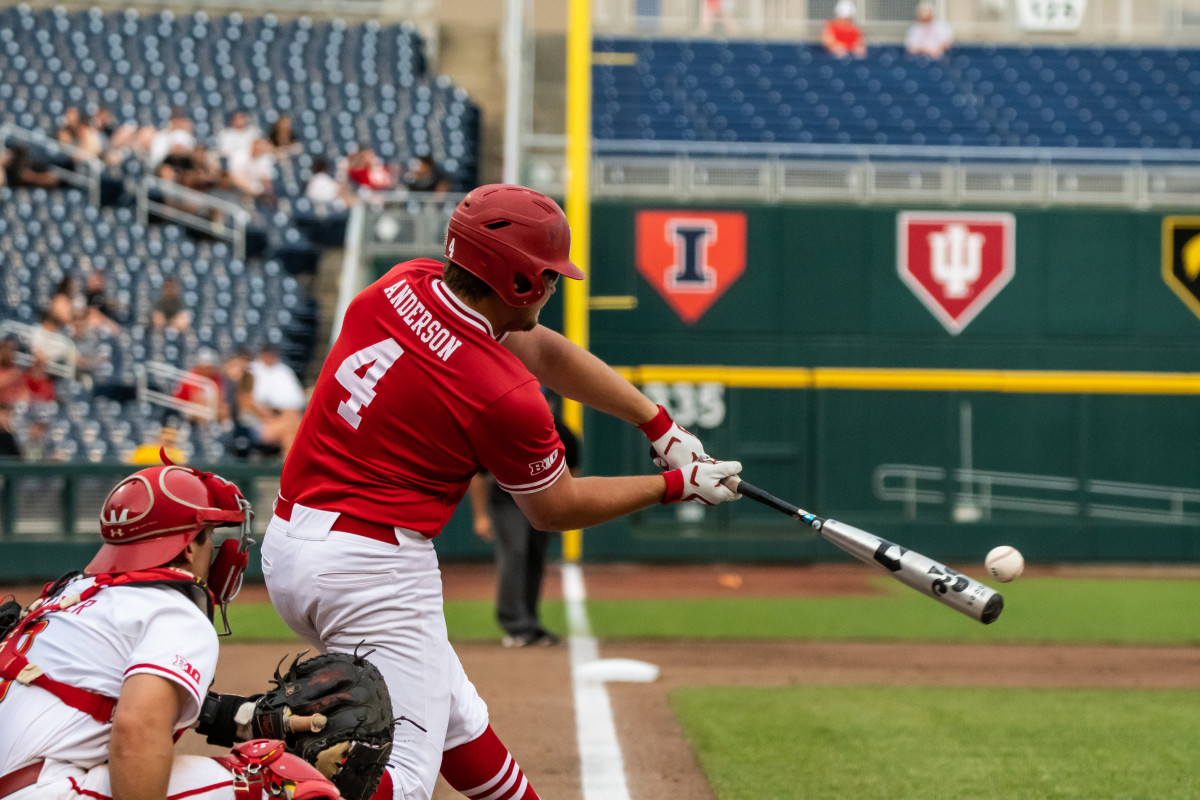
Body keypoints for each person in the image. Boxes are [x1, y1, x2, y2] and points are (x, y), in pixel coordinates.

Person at [260, 183, 742, 800]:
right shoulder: (504, 395)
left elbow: (538, 347)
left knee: (459, 719)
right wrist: (673, 485)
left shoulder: (402, 282)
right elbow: (554, 507)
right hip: (371, 569)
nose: (552, 285)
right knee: (399, 784)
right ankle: (253, 786)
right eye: (547, 275)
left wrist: (659, 424)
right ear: (516, 282)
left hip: (292, 544)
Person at [0, 459, 342, 799]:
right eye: (209, 536)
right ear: (190, 544)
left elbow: (96, 694)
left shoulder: (70, 593)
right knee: (278, 780)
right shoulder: (173, 609)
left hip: (23, 780)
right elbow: (137, 730)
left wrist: (240, 717)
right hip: (41, 791)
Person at [469, 411, 579, 648]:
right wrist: (480, 516)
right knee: (515, 554)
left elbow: (573, 474)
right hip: (507, 500)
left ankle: (530, 624)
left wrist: (565, 511)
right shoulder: (506, 429)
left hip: (544, 502)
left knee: (535, 558)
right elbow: (479, 475)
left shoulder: (563, 432)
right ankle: (516, 626)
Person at [247, 343, 305, 456]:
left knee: (292, 432)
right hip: (261, 422)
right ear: (263, 354)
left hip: (286, 416)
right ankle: (291, 467)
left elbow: (298, 400)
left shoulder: (283, 370)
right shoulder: (251, 370)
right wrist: (270, 415)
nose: (272, 356)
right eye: (269, 353)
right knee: (295, 428)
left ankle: (288, 465)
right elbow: (247, 402)